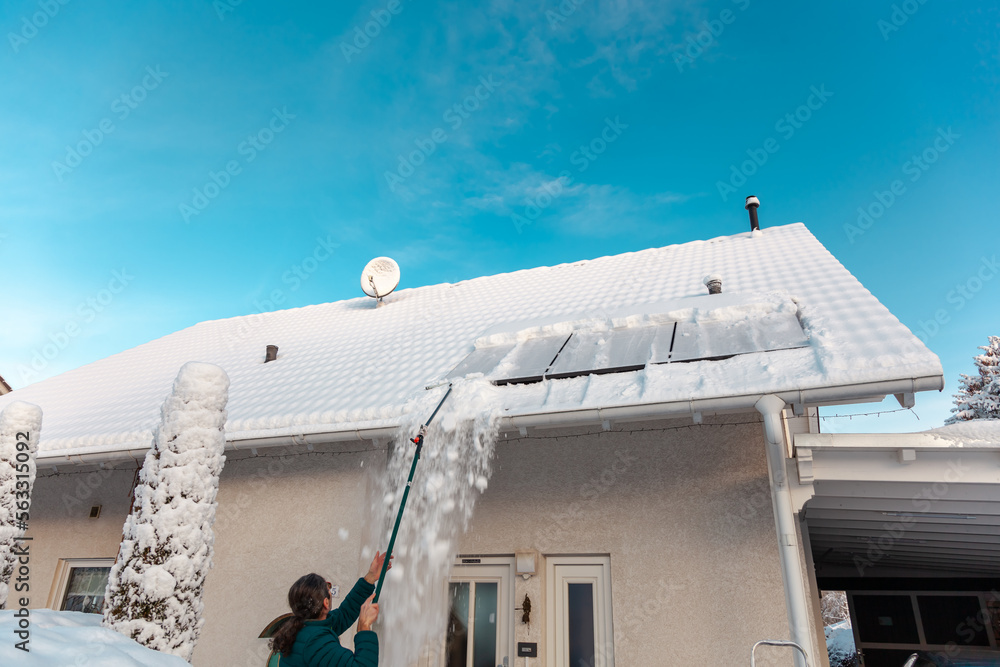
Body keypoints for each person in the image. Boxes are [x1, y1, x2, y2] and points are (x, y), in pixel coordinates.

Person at [270, 551, 391, 667]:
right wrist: (364, 627)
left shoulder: (301, 628)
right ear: (326, 603)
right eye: (328, 588)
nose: (330, 591)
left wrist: (370, 577)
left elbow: (344, 614)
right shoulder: (316, 642)